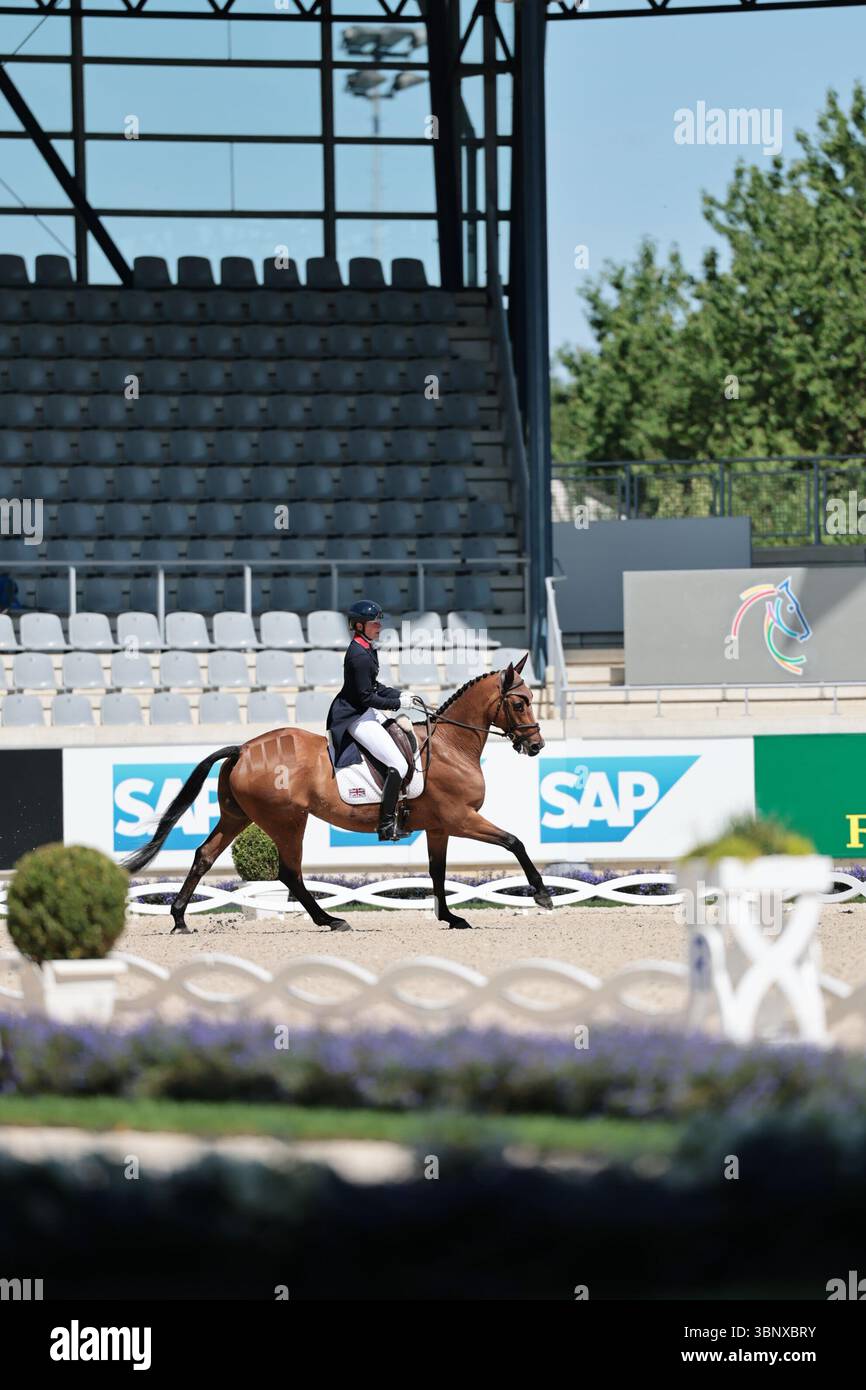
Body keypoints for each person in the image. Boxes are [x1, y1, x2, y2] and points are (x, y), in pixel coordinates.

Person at [326, 599, 417, 841]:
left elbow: (374, 686)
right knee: (398, 763)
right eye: (374, 622)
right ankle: (386, 824)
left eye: (378, 621)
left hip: (364, 709)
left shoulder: (366, 647)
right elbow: (367, 697)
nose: (379, 626)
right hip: (355, 715)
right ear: (359, 626)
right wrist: (397, 704)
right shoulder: (359, 655)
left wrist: (400, 694)